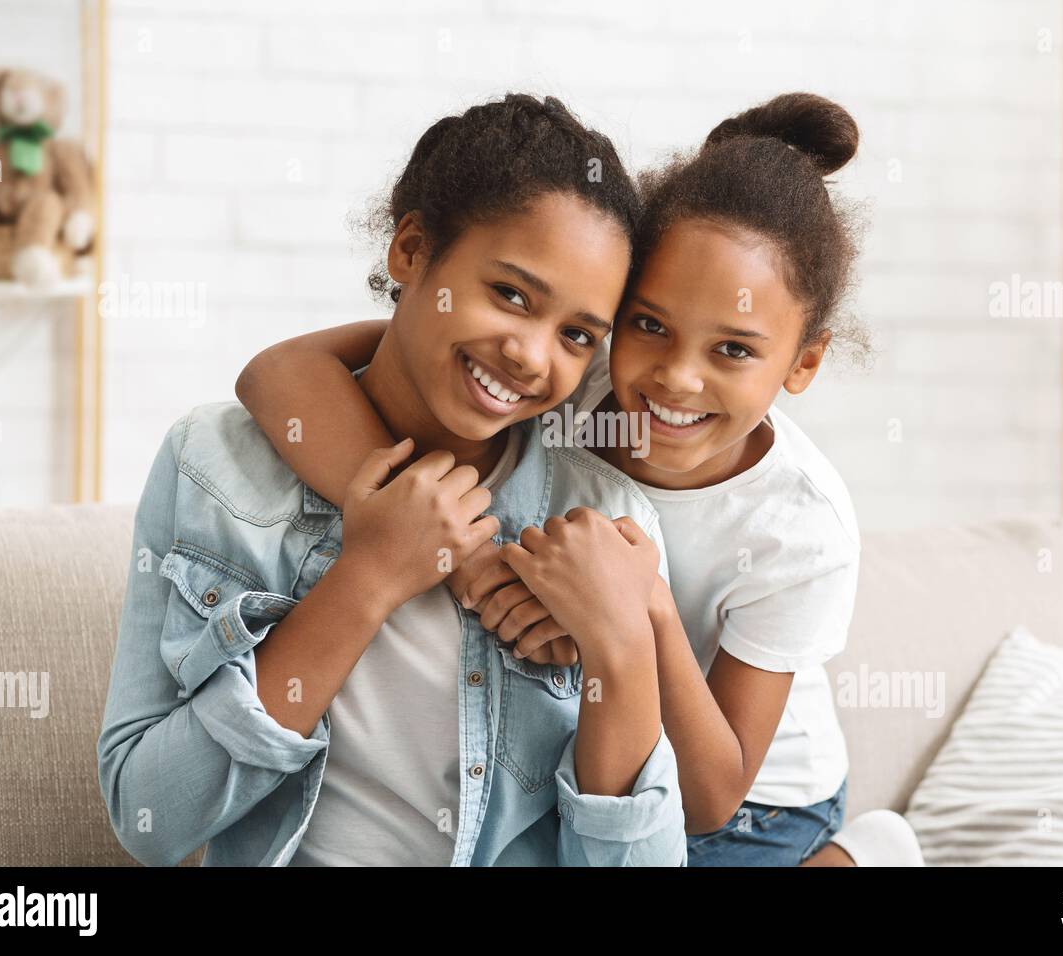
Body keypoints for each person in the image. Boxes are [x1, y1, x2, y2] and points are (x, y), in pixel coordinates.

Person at [97, 94, 687, 867]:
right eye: (510, 294)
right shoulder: (213, 465)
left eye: (577, 335)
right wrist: (367, 578)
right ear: (410, 250)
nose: (533, 356)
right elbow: (147, 817)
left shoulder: (606, 521)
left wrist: (622, 647)